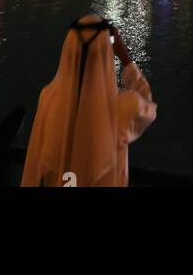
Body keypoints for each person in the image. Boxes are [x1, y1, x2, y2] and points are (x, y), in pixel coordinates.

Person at [21, 14, 157, 187]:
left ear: (68, 50)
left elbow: (33, 162)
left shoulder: (49, 99)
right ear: (107, 54)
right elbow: (148, 105)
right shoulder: (121, 107)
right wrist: (124, 56)